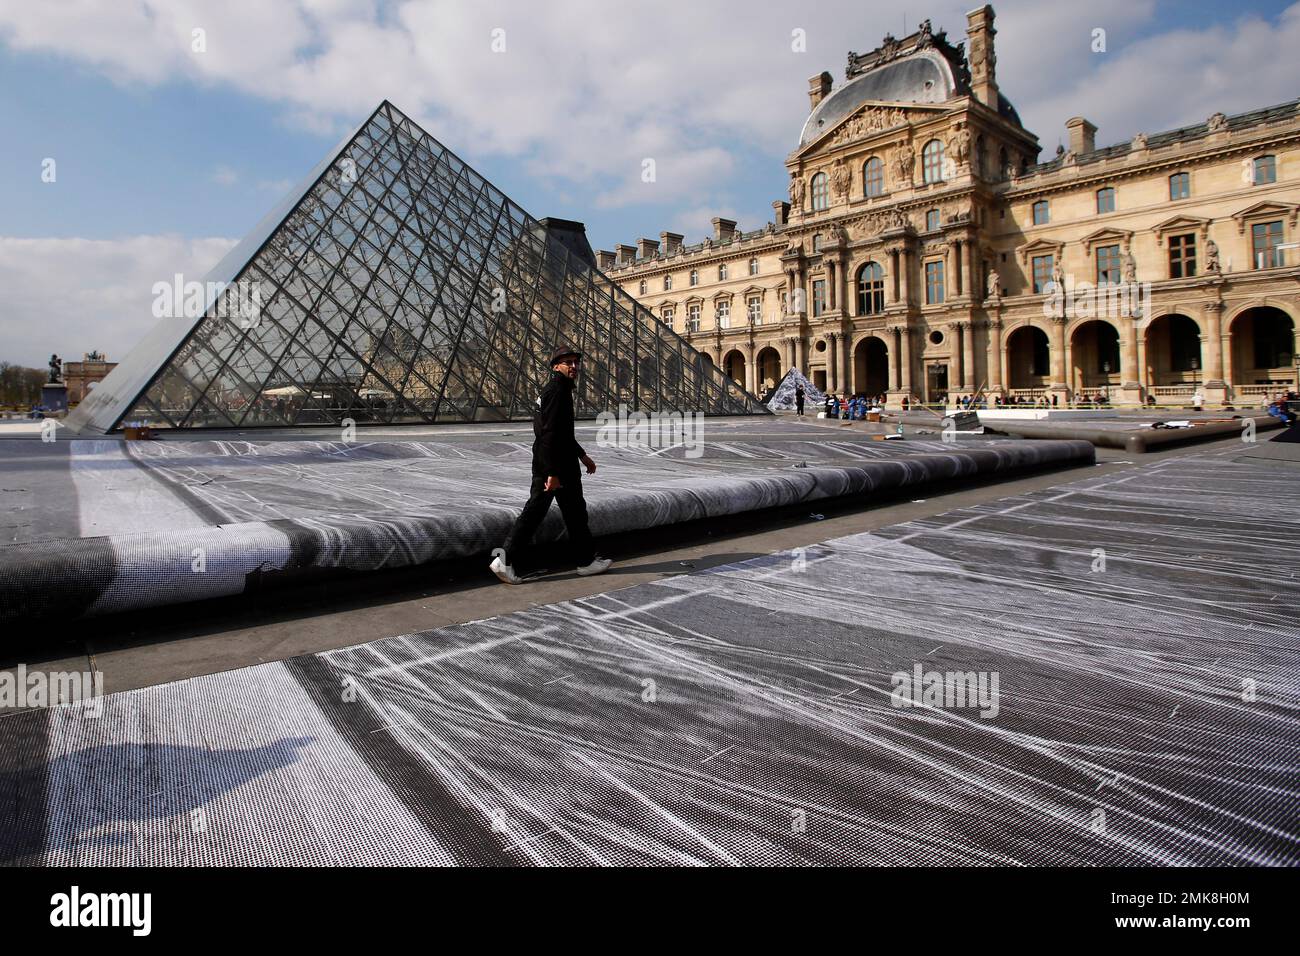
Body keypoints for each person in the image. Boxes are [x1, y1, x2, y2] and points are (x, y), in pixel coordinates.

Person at [490, 346, 611, 585]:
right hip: (556, 466)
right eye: (568, 363)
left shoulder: (557, 389)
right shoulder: (557, 391)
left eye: (576, 362)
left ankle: (586, 561)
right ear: (556, 366)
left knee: (575, 513)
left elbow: (561, 433)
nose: (574, 367)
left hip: (557, 462)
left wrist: (582, 455)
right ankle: (504, 560)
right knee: (536, 513)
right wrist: (552, 473)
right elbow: (548, 434)